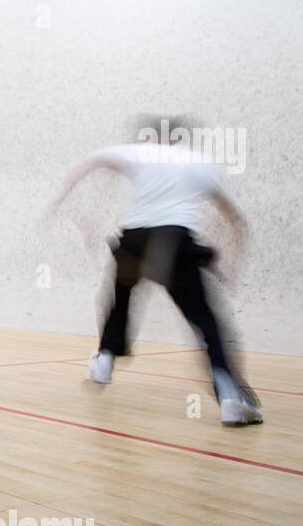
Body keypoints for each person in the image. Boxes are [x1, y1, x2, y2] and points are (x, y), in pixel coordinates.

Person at [45, 117, 263, 426]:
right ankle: (230, 398)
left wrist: (67, 206)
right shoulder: (199, 163)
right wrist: (231, 266)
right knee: (205, 322)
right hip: (173, 242)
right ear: (178, 139)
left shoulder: (139, 152)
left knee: (119, 298)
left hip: (134, 242)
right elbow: (236, 219)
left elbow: (90, 163)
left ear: (152, 137)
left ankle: (104, 359)